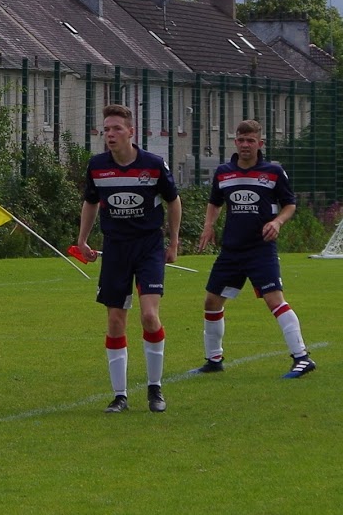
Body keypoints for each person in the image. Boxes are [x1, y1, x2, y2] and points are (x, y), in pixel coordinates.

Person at [75, 104, 181, 413]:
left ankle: (155, 389)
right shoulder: (97, 167)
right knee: (115, 320)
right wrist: (82, 240)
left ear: (131, 132)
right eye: (106, 129)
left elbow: (174, 203)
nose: (110, 134)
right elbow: (91, 203)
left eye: (116, 128)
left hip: (148, 248)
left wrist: (173, 243)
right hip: (116, 250)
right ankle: (120, 395)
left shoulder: (153, 165)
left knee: (149, 316)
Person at [195, 120, 316, 378]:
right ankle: (214, 360)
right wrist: (208, 226)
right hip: (231, 250)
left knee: (274, 300)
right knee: (212, 301)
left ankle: (302, 357)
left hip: (261, 250)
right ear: (235, 142)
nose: (246, 145)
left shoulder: (273, 172)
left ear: (260, 143)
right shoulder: (223, 172)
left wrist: (277, 221)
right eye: (241, 140)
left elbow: (290, 204)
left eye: (251, 140)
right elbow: (215, 203)